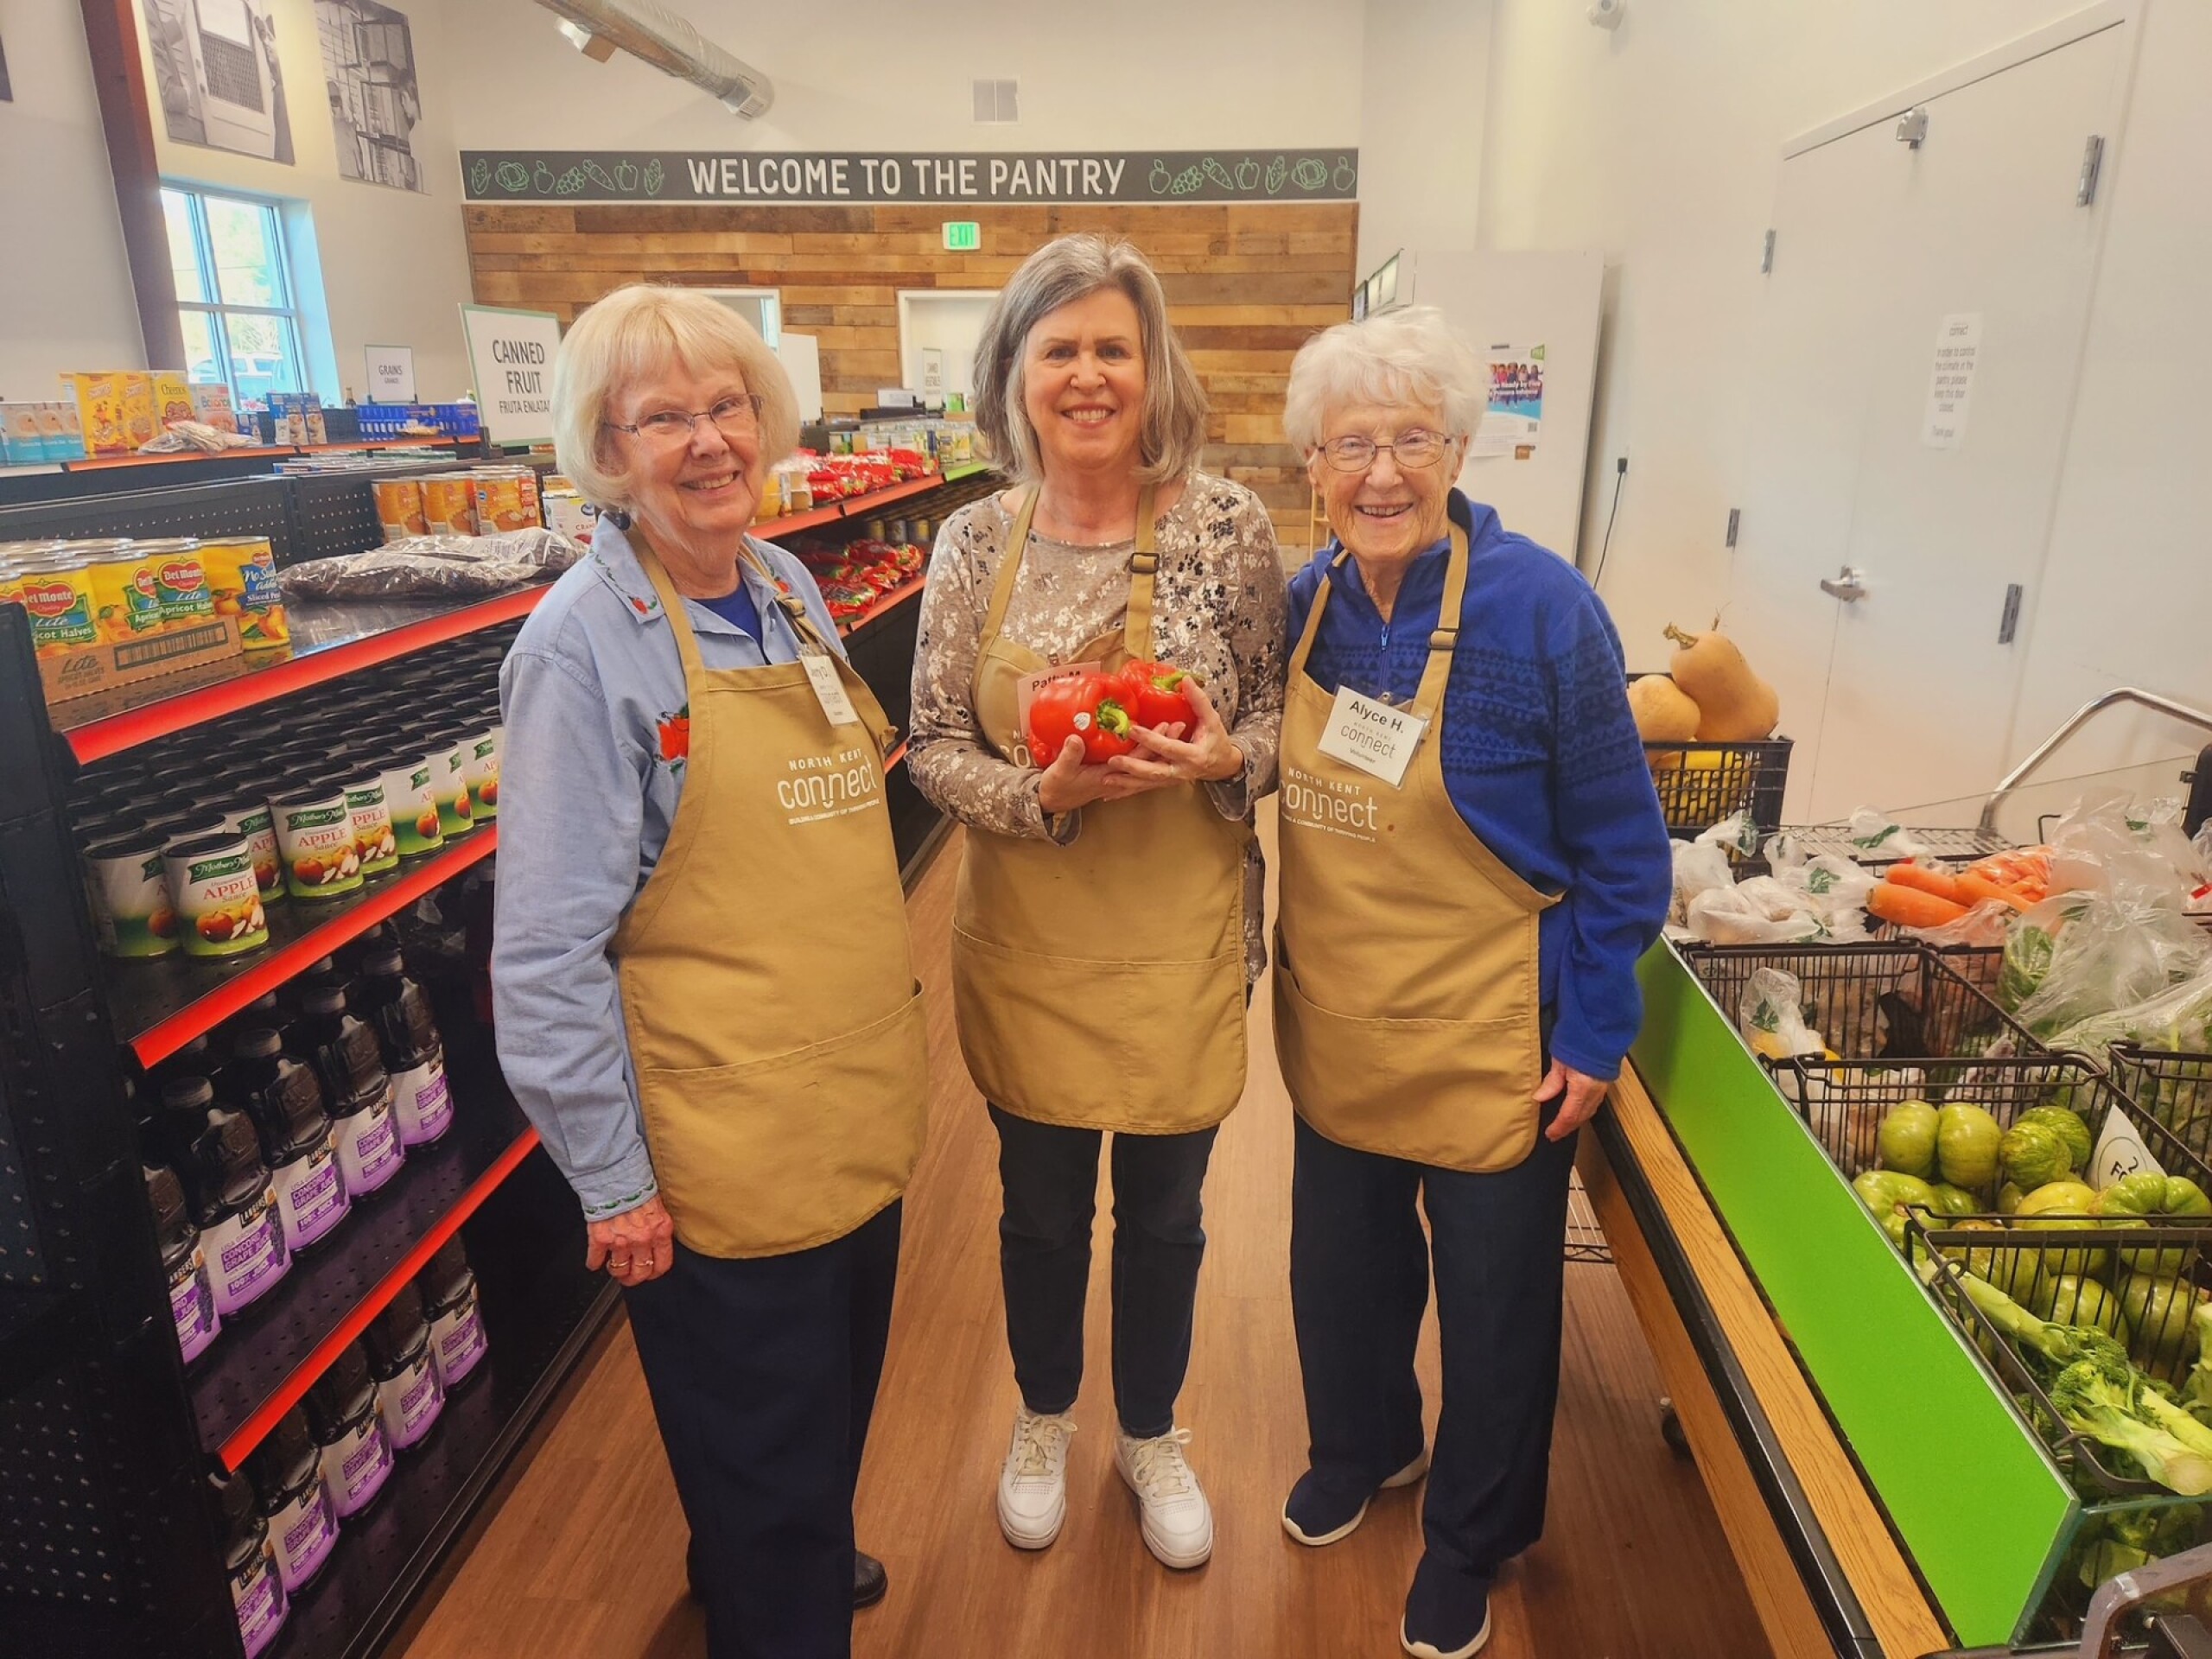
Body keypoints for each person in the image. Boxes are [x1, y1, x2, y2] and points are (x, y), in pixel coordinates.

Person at [492, 284, 928, 1659]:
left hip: (845, 1089)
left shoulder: (785, 582)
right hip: (722, 1125)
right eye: (662, 416)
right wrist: (612, 1180)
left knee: (817, 1400)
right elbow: (549, 952)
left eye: (728, 405)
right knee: (764, 1416)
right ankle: (776, 1600)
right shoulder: (580, 651)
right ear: (608, 451)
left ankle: (764, 1551)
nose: (709, 440)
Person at [1272, 307, 1672, 1659]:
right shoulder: (1303, 605)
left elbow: (1625, 848)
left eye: (1411, 441)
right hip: (1340, 1009)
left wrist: (1599, 1028)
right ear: (1312, 465)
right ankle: (1364, 1446)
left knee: (1499, 1305)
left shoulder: (1545, 609)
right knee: (1341, 1269)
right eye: (1350, 447)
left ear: (1456, 448)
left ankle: (1470, 1534)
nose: (1381, 475)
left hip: (1500, 1021)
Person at [907, 234, 1287, 1571]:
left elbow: (1283, 705)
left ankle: (1153, 1428)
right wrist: (1042, 798)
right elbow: (938, 741)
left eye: (1111, 348)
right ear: (1014, 373)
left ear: (1151, 365)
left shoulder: (1227, 528)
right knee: (1038, 1207)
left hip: (1179, 937)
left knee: (1170, 1212)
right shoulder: (970, 542)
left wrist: (1228, 754)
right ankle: (1043, 1416)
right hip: (1030, 941)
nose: (1086, 375)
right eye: (1057, 348)